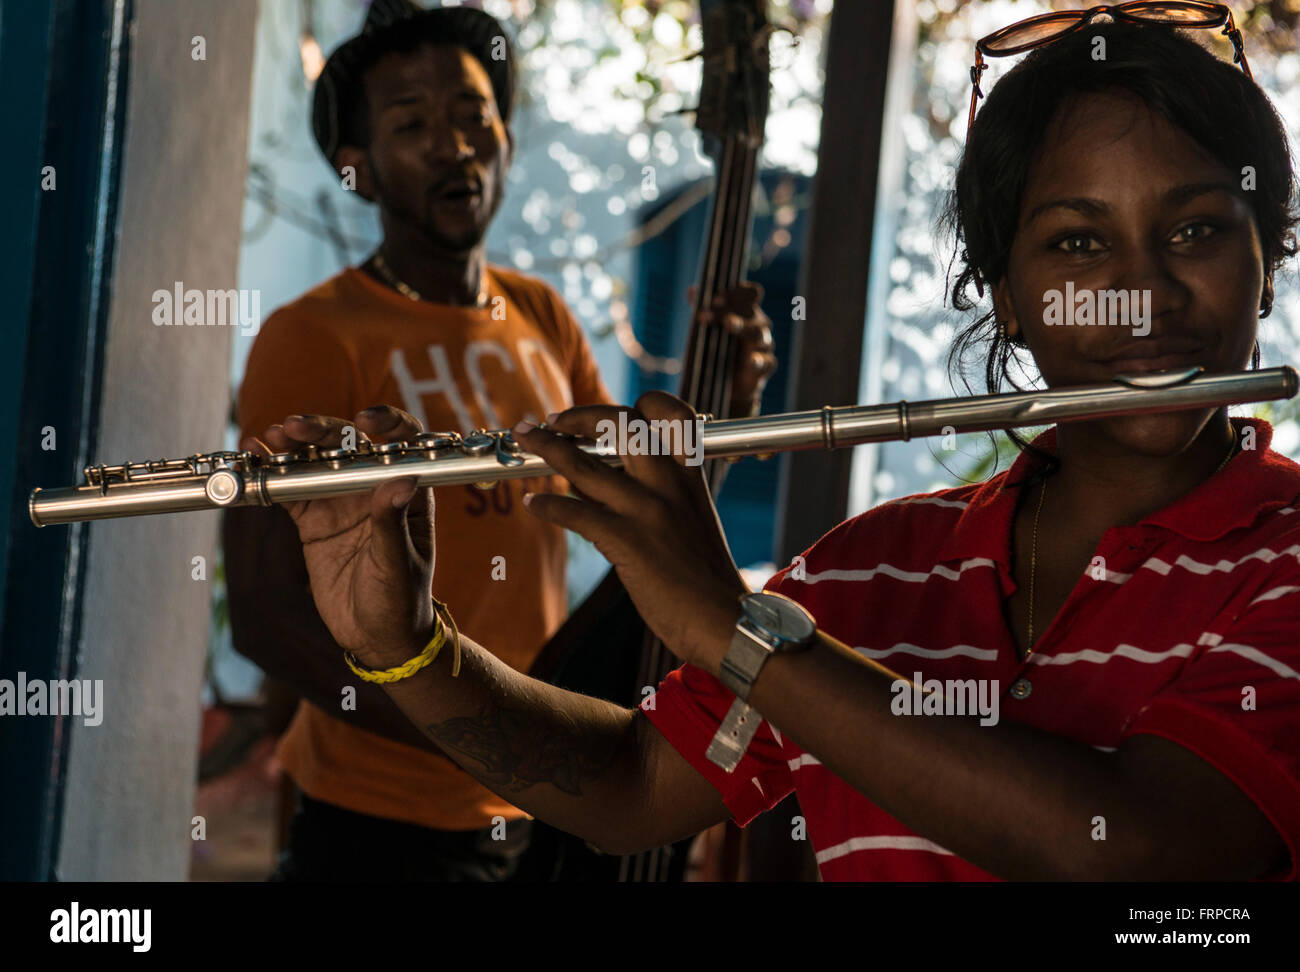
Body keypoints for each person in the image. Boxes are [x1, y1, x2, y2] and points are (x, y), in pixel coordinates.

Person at [241, 18, 1300, 880]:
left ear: (1269, 257)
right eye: (1076, 241)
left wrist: (740, 635)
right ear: (1007, 298)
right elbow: (630, 791)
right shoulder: (869, 567)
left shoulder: (1285, 560)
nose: (1144, 292)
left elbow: (1139, 853)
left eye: (1198, 230)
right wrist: (406, 642)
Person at [223, 0, 774, 881]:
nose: (454, 144)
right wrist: (469, 727)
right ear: (355, 165)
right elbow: (264, 614)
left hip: (537, 806)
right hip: (380, 821)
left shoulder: (541, 317)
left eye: (474, 115)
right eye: (411, 124)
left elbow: (630, 505)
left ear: (507, 140)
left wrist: (730, 413)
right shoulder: (314, 336)